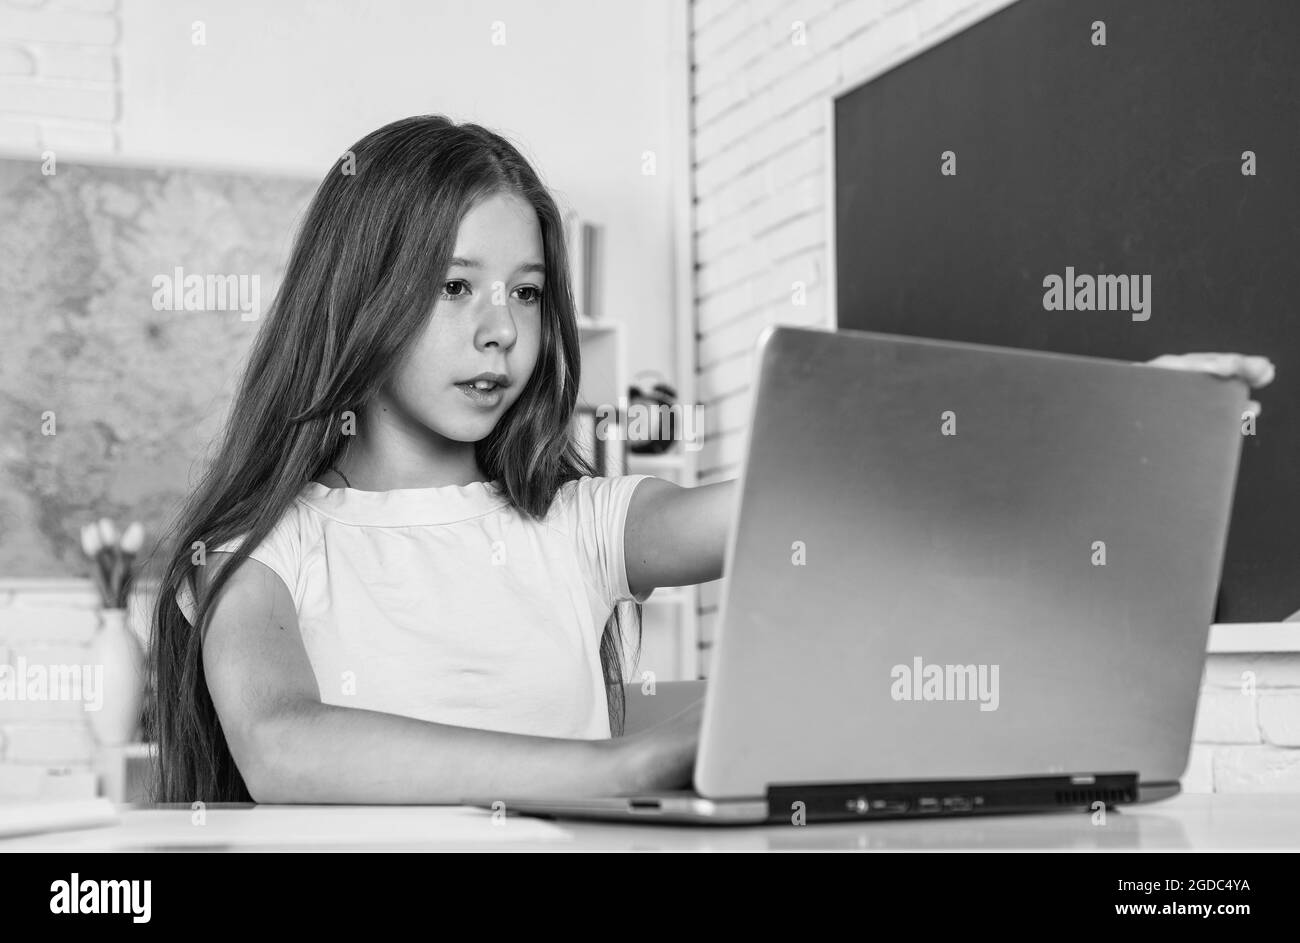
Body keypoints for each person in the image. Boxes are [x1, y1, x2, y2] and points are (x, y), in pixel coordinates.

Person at [148, 115, 1274, 805]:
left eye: (528, 293)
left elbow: (825, 502)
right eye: (454, 286)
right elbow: (288, 747)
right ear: (359, 291)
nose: (501, 328)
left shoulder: (577, 521)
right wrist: (618, 772)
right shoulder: (255, 551)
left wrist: (1105, 415)